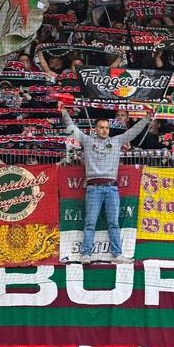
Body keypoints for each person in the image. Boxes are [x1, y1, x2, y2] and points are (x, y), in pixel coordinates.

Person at [60, 107, 154, 264]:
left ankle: (117, 255)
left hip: (111, 187)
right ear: (95, 129)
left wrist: (146, 118)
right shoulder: (88, 141)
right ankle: (86, 254)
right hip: (93, 188)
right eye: (101, 127)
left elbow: (133, 132)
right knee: (90, 223)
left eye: (107, 128)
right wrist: (63, 112)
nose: (104, 130)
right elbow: (72, 129)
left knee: (114, 223)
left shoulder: (116, 141)